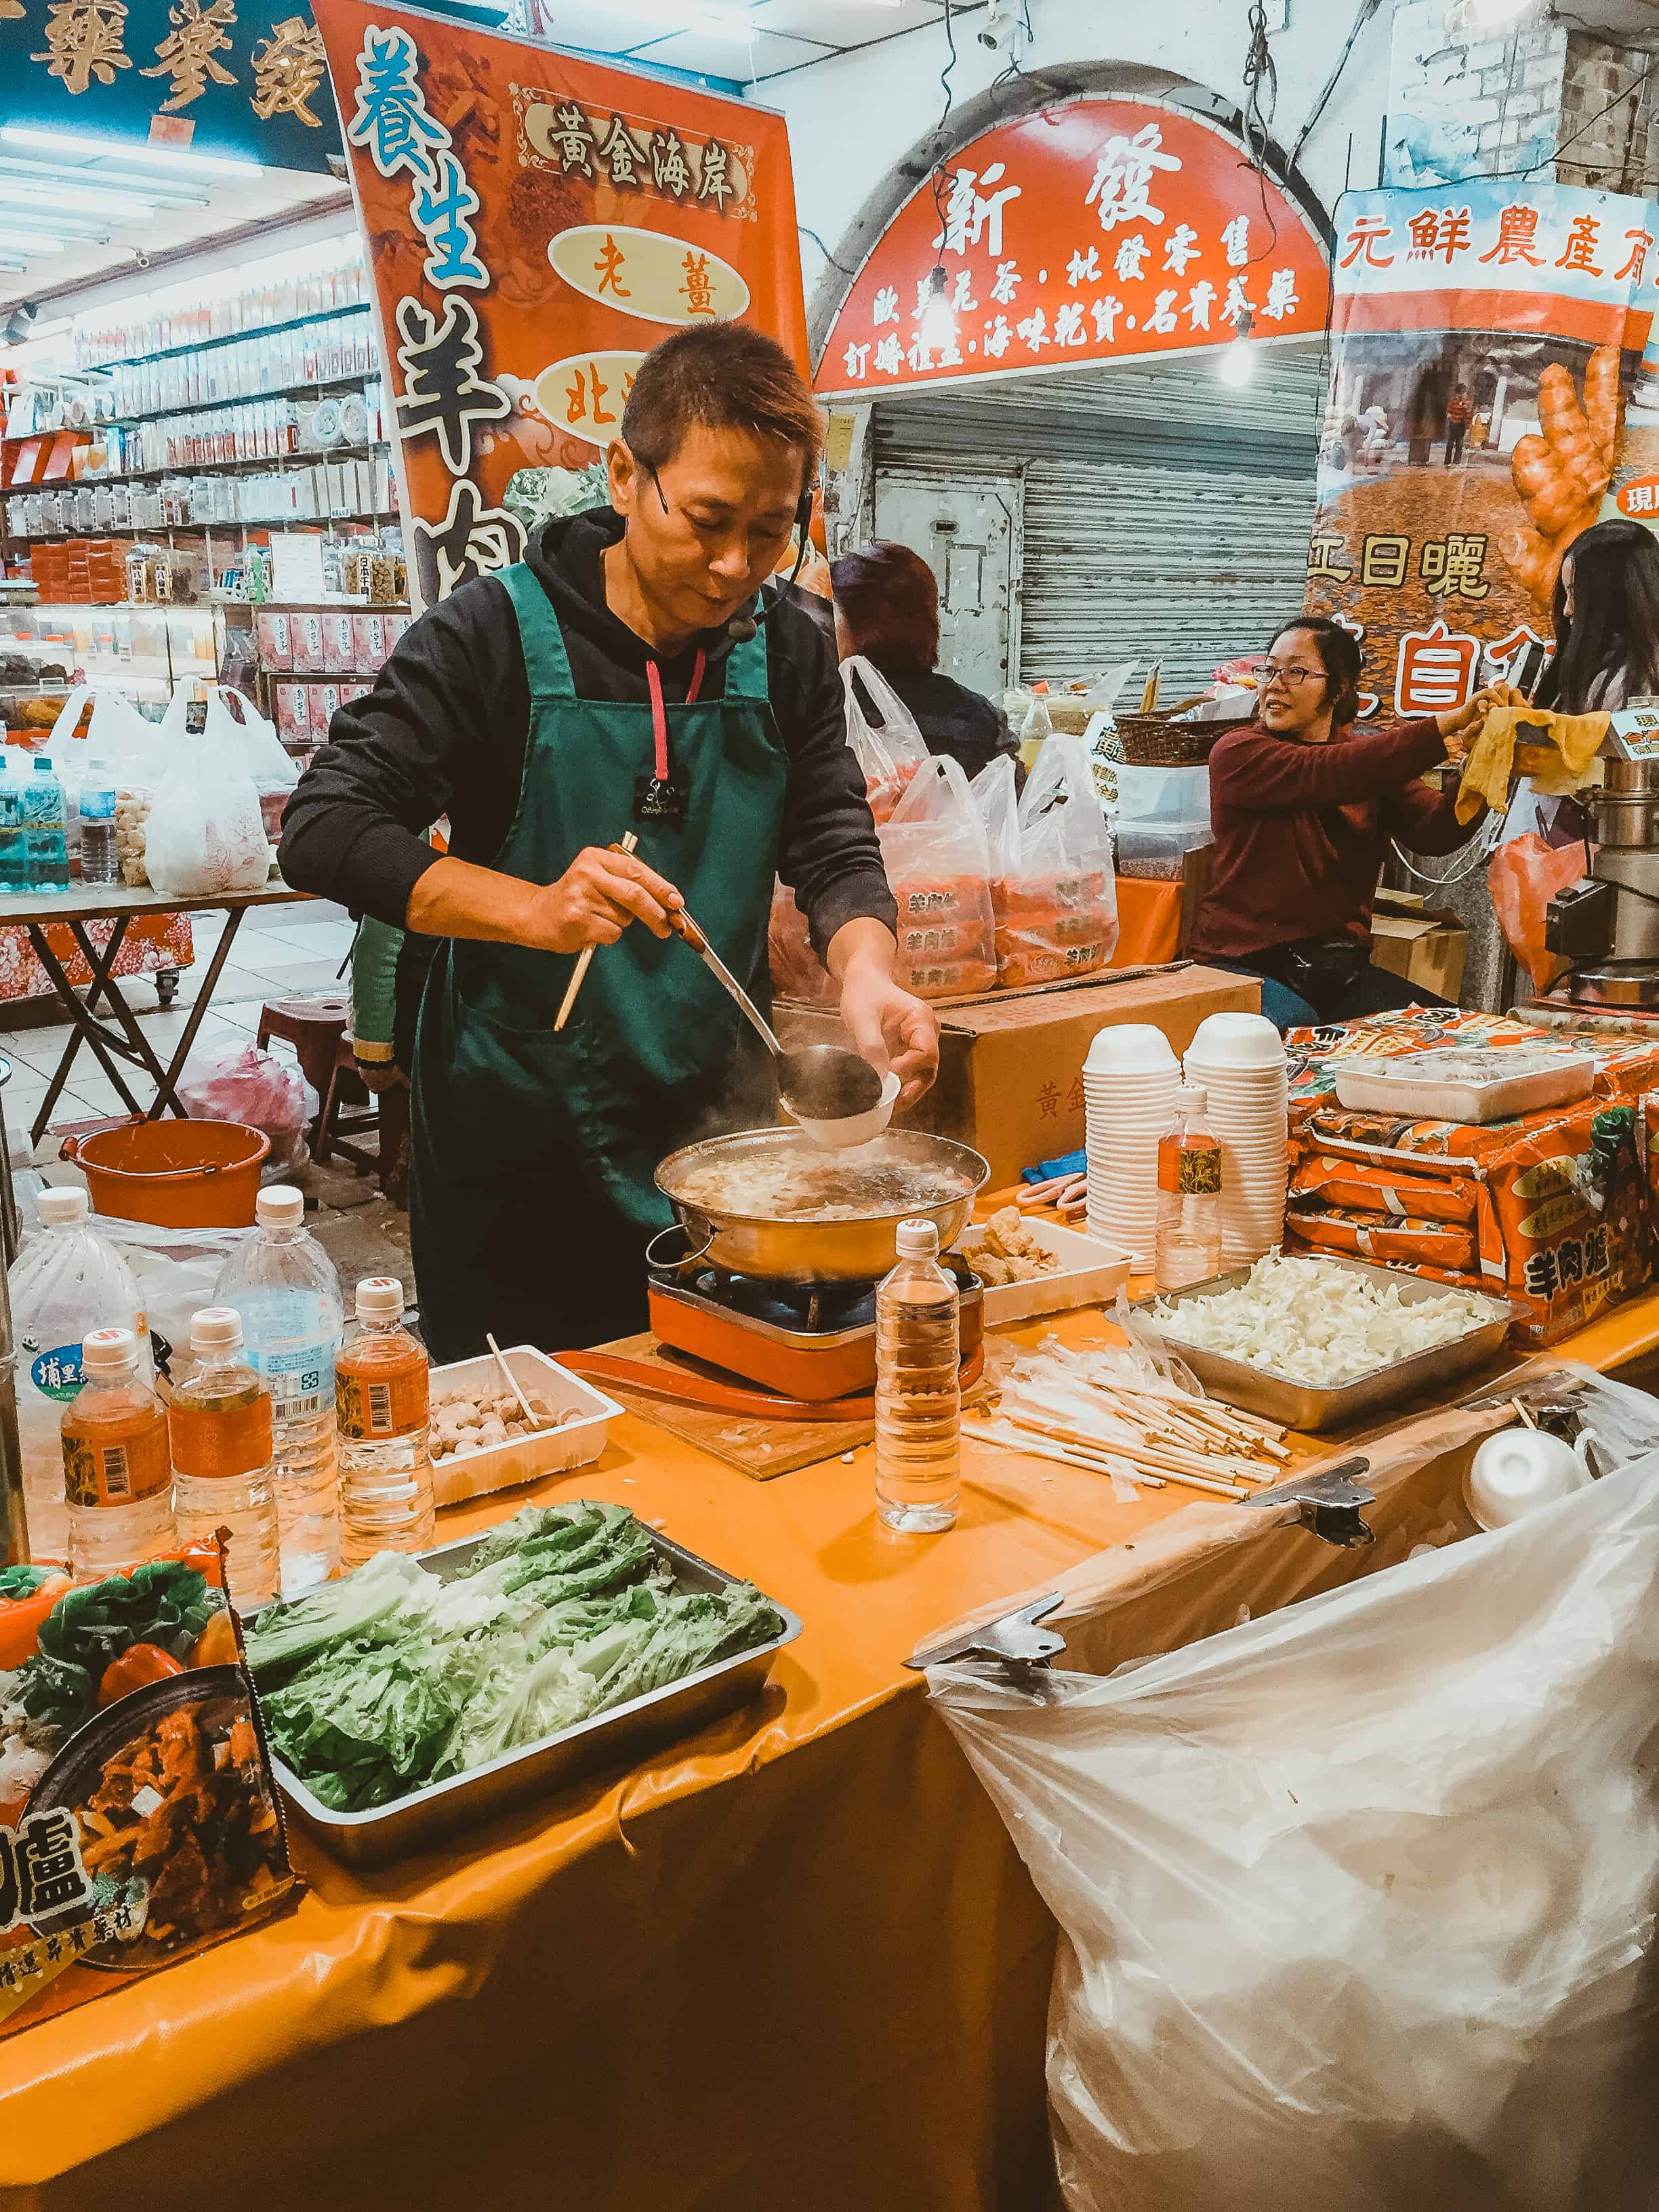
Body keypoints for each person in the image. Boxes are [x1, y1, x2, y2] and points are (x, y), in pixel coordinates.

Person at [280, 323, 939, 1360]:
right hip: (517, 1136)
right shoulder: (488, 634)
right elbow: (325, 827)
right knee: (537, 1464)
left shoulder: (790, 647)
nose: (735, 567)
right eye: (709, 521)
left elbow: (830, 836)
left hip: (722, 1138)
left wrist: (868, 974)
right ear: (626, 474)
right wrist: (530, 908)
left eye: (772, 532)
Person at [1188, 616, 1515, 1030]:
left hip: (1337, 972)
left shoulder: (1364, 762)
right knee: (1296, 1032)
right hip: (1243, 965)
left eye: (1297, 672)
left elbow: (1436, 831)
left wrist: (1484, 762)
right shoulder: (1240, 753)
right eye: (1270, 669)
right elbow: (1331, 771)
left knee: (1454, 1034)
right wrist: (1447, 723)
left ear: (1338, 688)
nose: (1276, 684)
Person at [830, 541, 1023, 783]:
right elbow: (1012, 802)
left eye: (833, 611)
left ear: (866, 627)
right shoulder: (983, 716)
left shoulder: (832, 714)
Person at [1532, 515, 1659, 713]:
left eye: (1578, 595)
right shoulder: (1589, 666)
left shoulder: (1637, 681)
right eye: (1567, 594)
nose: (1567, 610)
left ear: (1619, 593)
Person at [1445, 382, 1472, 467]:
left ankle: (1456, 462)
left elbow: (1467, 414)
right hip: (1454, 424)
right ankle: (1447, 461)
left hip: (1461, 425)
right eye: (1461, 392)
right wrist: (1451, 418)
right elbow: (1449, 412)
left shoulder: (1465, 403)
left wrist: (1467, 425)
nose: (1461, 395)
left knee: (1459, 444)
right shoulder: (1453, 402)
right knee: (1450, 444)